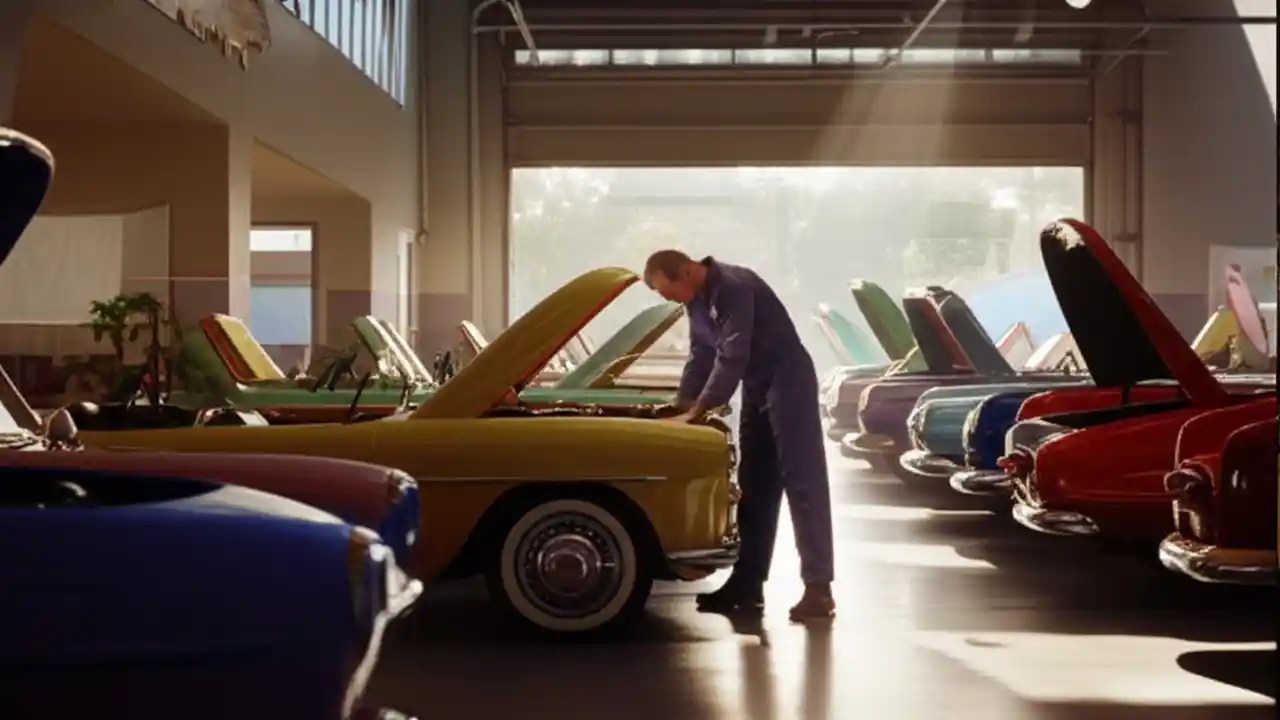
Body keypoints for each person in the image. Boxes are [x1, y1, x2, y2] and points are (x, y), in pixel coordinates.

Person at [643, 250, 835, 621]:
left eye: (669, 293)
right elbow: (701, 356)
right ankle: (747, 586)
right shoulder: (695, 301)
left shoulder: (734, 286)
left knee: (803, 483)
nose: (670, 301)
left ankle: (819, 589)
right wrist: (679, 408)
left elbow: (732, 354)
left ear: (684, 271)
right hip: (757, 383)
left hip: (787, 377)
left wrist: (698, 412)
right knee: (754, 485)